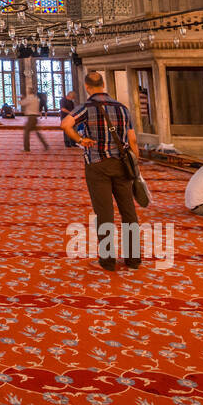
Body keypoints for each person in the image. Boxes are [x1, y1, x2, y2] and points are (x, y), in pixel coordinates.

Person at [61, 71, 140, 270]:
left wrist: (80, 140)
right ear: (103, 85)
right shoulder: (122, 108)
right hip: (122, 165)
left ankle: (108, 260)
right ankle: (133, 259)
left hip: (97, 165)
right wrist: (134, 165)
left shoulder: (86, 108)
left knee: (105, 214)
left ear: (87, 87)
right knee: (128, 211)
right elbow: (132, 140)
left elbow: (65, 124)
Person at [21, 88, 48, 152]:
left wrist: (21, 98)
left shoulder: (29, 98)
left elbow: (22, 103)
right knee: (37, 132)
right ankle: (46, 145)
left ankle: (26, 148)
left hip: (31, 118)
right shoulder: (36, 98)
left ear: (29, 92)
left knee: (26, 133)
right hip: (35, 117)